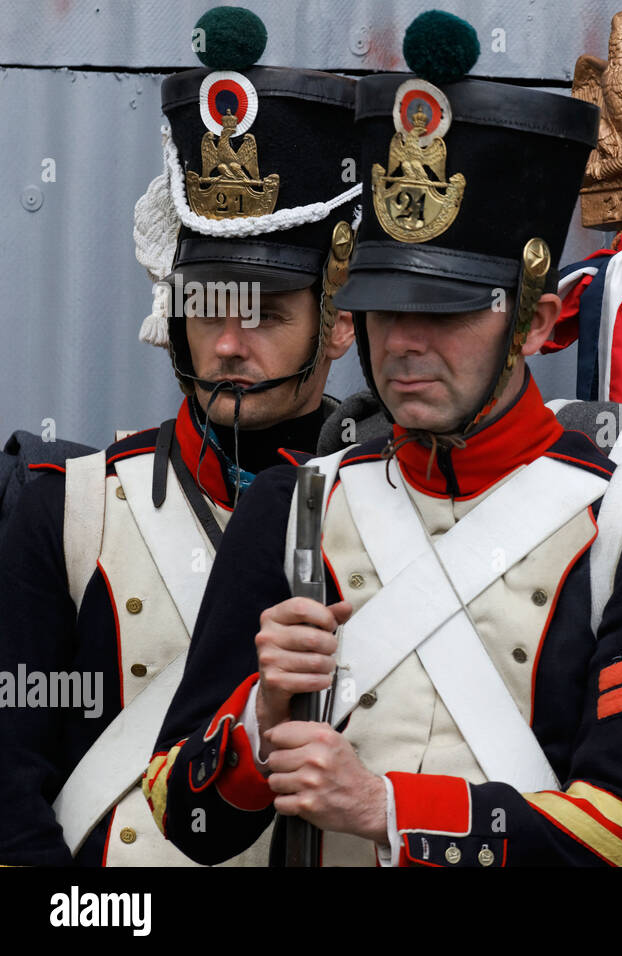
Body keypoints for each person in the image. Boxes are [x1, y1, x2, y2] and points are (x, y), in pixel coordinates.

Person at [144, 10, 622, 868]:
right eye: (382, 305)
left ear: (535, 323)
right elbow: (184, 822)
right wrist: (260, 730)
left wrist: (384, 807)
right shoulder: (294, 507)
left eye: (446, 310)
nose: (405, 342)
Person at [0, 8, 357, 866]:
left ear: (339, 324)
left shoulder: (389, 503)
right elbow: (10, 789)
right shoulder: (65, 508)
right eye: (206, 307)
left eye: (265, 313)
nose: (229, 342)